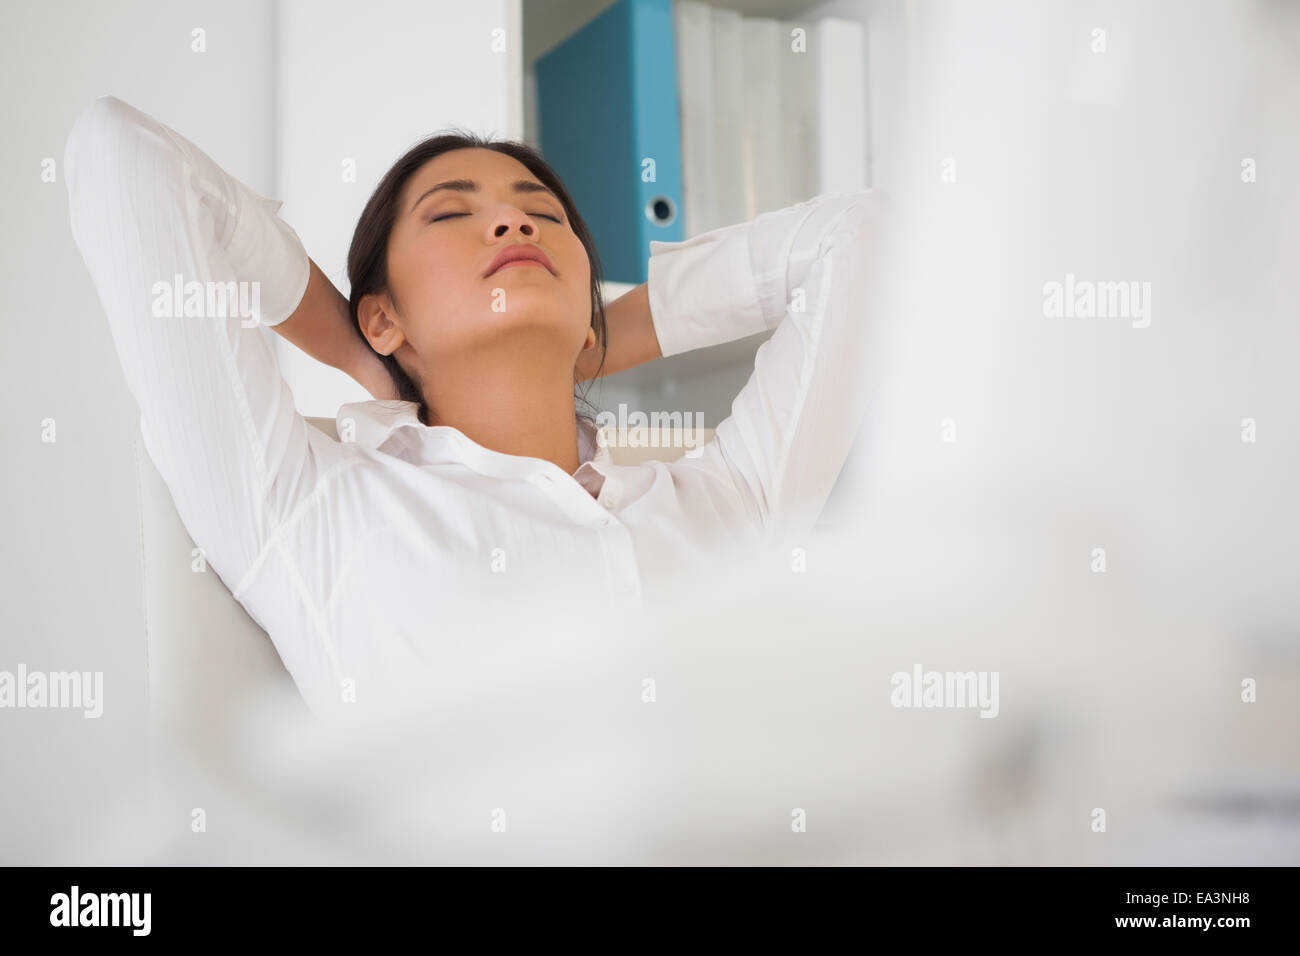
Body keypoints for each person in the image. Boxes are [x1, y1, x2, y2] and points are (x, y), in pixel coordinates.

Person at [64, 94, 887, 720]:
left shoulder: (728, 505)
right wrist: (361, 349)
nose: (510, 218)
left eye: (543, 212)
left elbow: (865, 234)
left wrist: (595, 335)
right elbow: (120, 156)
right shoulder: (307, 509)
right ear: (385, 315)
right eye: (452, 213)